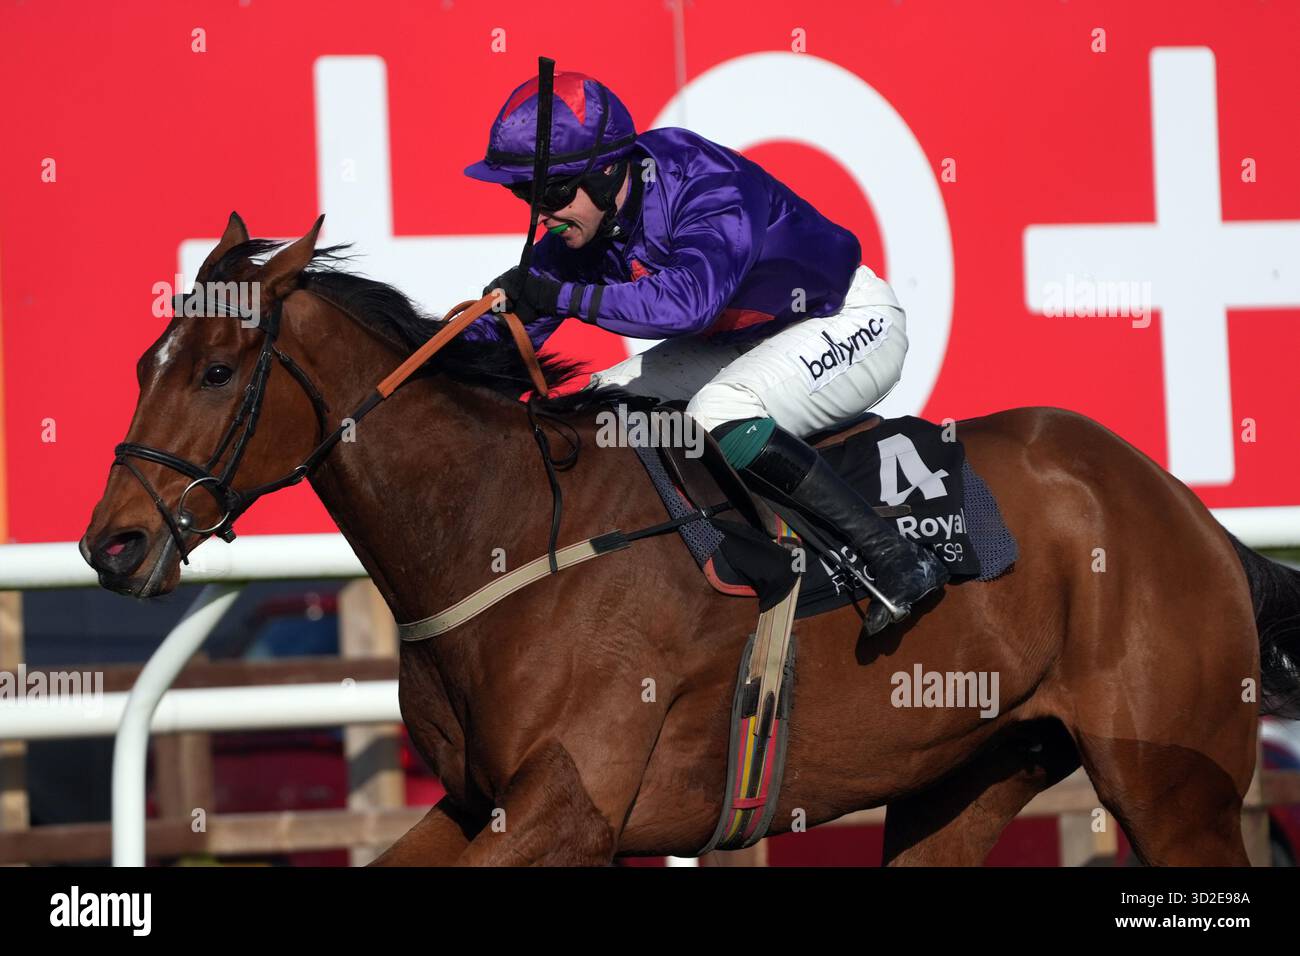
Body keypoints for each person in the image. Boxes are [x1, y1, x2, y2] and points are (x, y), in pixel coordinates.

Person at [462, 70, 947, 634]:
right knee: (591, 409)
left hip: (847, 319)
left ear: (605, 172)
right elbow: (492, 346)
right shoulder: (579, 234)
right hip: (745, 341)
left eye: (549, 194)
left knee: (717, 412)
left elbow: (689, 304)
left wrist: (558, 295)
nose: (539, 215)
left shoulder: (702, 180)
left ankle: (892, 557)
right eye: (524, 195)